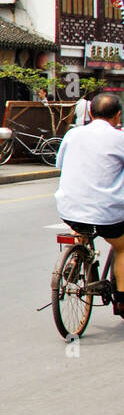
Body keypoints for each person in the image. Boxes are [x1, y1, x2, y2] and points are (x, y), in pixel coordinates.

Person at [56, 92, 124, 313]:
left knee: (81, 224)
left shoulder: (72, 135)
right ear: (118, 116)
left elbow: (60, 164)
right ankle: (122, 299)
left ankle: (77, 256)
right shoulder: (120, 138)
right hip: (106, 212)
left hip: (69, 208)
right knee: (121, 247)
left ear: (91, 114)